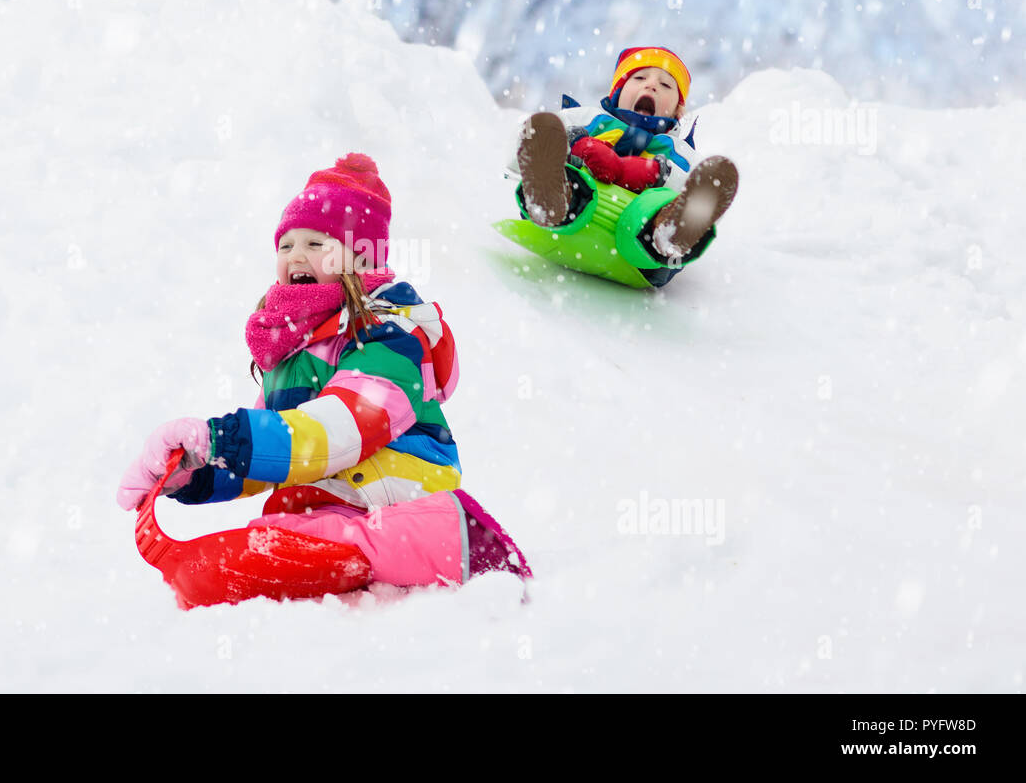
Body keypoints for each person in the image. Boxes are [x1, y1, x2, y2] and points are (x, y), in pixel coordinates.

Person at [117, 153, 530, 601]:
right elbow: (271, 454)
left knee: (335, 541)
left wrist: (223, 438)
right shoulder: (290, 351)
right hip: (323, 509)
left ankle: (453, 534)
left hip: (391, 503)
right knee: (266, 542)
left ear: (361, 258)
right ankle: (308, 550)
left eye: (317, 244)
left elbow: (342, 427)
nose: (296, 255)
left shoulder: (388, 335)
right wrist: (193, 467)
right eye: (286, 245)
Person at [515, 46, 739, 286]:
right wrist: (577, 144)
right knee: (569, 171)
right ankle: (550, 201)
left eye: (665, 85)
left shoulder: (676, 149)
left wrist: (657, 174)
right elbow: (526, 148)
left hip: (641, 248)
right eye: (639, 78)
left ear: (677, 111)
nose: (650, 86)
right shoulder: (588, 119)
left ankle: (667, 233)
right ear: (617, 93)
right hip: (570, 209)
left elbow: (700, 201)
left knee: (656, 205)